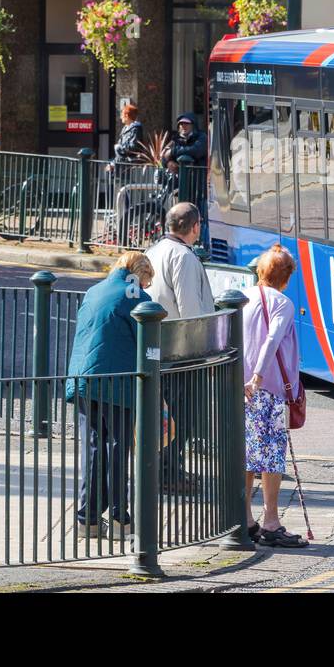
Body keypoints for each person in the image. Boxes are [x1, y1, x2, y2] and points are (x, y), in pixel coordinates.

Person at [64, 251, 154, 536]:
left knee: (92, 446)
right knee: (117, 447)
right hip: (116, 382)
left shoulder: (94, 290)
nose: (145, 288)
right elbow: (149, 342)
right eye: (146, 282)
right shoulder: (136, 297)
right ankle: (119, 518)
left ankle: (87, 520)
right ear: (138, 275)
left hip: (82, 378)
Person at [145, 202, 215, 494]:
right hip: (179, 351)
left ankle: (164, 470)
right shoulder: (183, 257)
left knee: (162, 416)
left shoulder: (153, 251)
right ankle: (170, 474)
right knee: (179, 416)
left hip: (155, 345)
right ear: (195, 226)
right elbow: (190, 312)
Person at [242, 244, 308, 548]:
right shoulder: (283, 303)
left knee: (247, 455)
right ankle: (270, 521)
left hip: (242, 390)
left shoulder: (245, 297)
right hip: (268, 391)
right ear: (286, 276)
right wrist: (258, 375)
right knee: (271, 458)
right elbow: (272, 339)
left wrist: (247, 378)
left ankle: (245, 520)